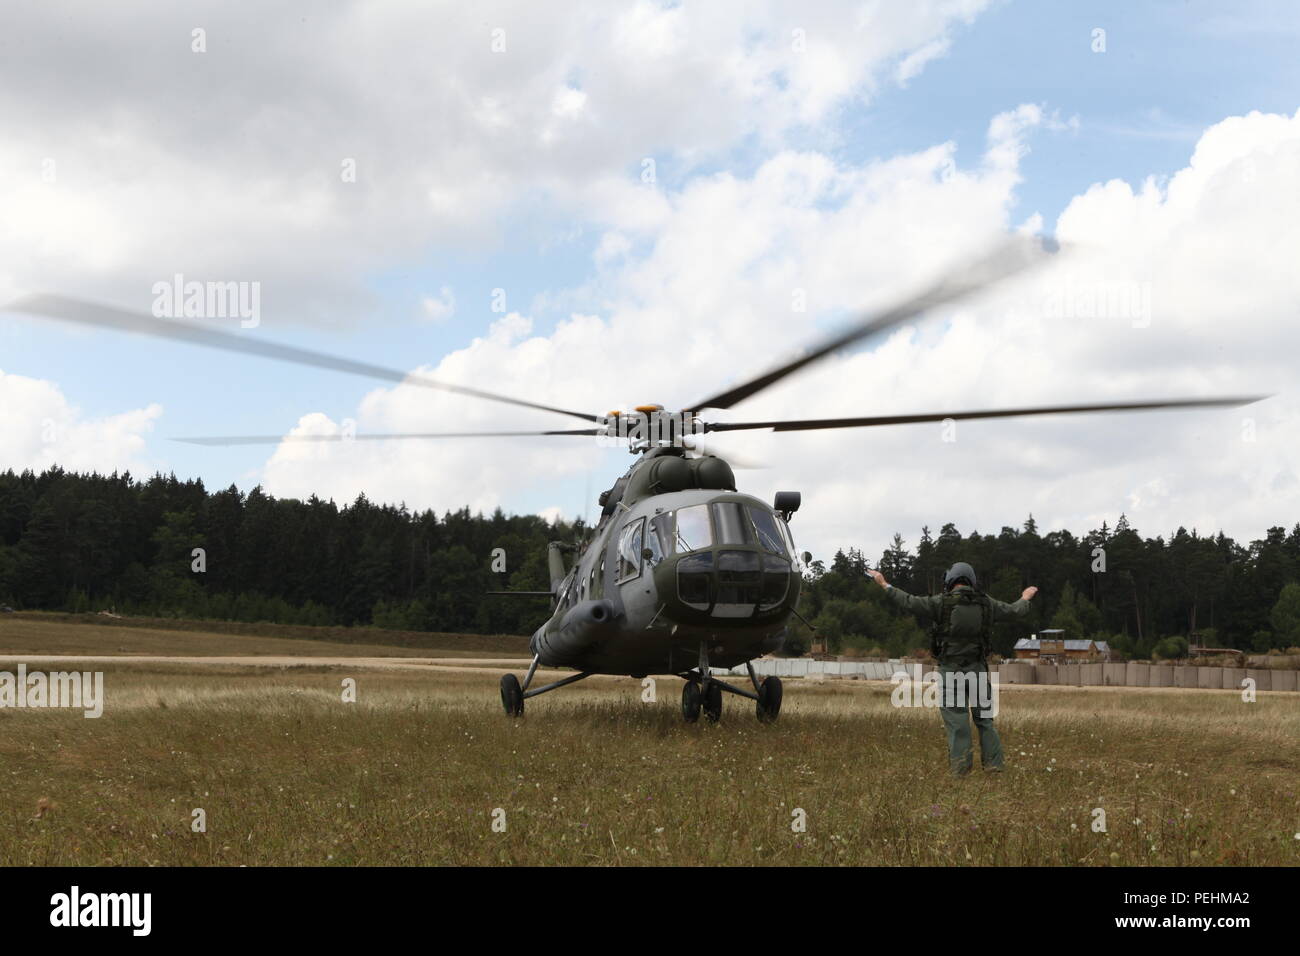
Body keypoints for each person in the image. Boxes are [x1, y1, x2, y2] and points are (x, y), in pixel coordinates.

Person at [867, 562, 1037, 776]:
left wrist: (884, 584)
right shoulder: (987, 604)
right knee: (985, 721)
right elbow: (1014, 611)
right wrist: (1025, 597)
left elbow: (908, 602)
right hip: (978, 669)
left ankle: (961, 771)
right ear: (971, 581)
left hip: (950, 670)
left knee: (957, 722)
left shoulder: (940, 603)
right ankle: (994, 768)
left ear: (950, 581)